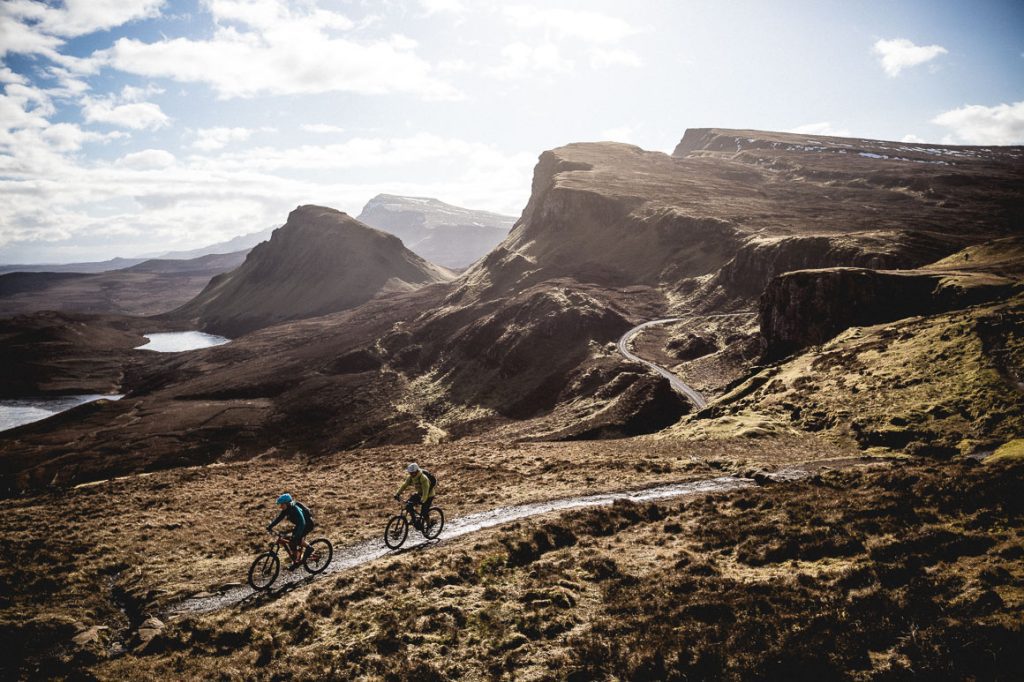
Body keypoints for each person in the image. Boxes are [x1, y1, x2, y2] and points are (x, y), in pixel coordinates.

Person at [267, 493, 313, 569]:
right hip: (299, 525)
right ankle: (297, 560)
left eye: (282, 504)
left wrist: (297, 536)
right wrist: (270, 526)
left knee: (297, 539)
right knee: (291, 542)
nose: (280, 506)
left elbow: (302, 522)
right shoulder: (286, 510)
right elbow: (279, 518)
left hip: (307, 525)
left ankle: (309, 548)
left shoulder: (295, 509)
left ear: (287, 503)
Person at [394, 463, 436, 529]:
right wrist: (397, 493)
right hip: (419, 493)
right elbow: (404, 485)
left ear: (416, 471)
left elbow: (426, 491)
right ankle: (415, 521)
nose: (410, 474)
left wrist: (423, 500)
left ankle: (429, 524)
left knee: (424, 512)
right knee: (408, 505)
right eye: (409, 473)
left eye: (412, 473)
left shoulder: (423, 478)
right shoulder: (411, 477)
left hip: (429, 495)